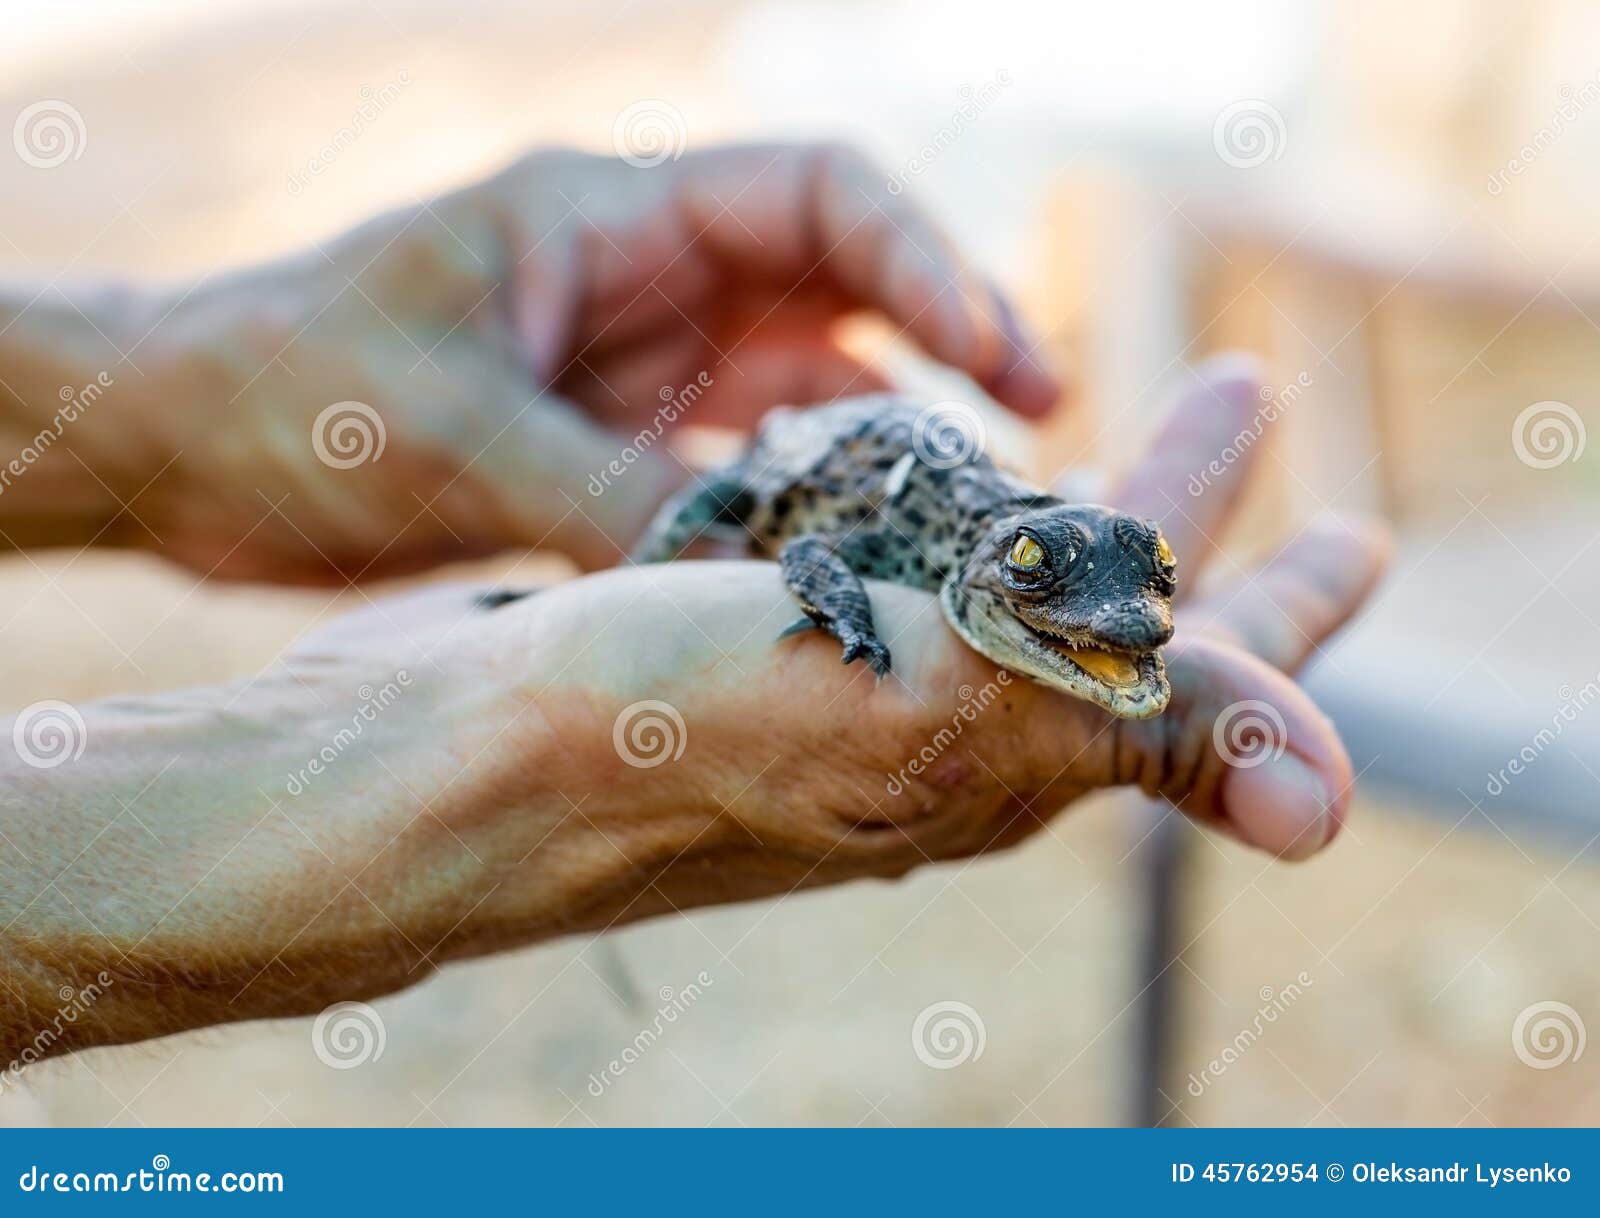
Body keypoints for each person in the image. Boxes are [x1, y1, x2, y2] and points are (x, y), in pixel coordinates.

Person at [0, 144, 1387, 1065]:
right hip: (800, 483)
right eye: (1036, 577)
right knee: (686, 523)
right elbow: (812, 559)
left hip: (926, 479)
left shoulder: (1058, 573)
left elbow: (1083, 575)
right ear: (984, 573)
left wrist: (159, 399)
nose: (1121, 612)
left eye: (1138, 578)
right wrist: (515, 738)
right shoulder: (912, 551)